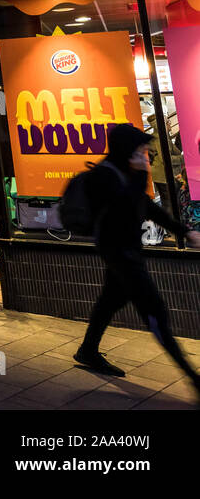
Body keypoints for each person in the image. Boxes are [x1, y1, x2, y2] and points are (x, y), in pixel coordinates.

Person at [74, 124, 200, 395]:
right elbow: (128, 207)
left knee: (109, 303)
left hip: (126, 253)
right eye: (141, 149)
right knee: (155, 312)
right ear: (126, 149)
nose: (146, 154)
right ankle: (194, 378)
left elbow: (148, 208)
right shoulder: (106, 177)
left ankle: (87, 350)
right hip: (121, 256)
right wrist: (141, 175)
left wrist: (184, 232)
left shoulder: (120, 172)